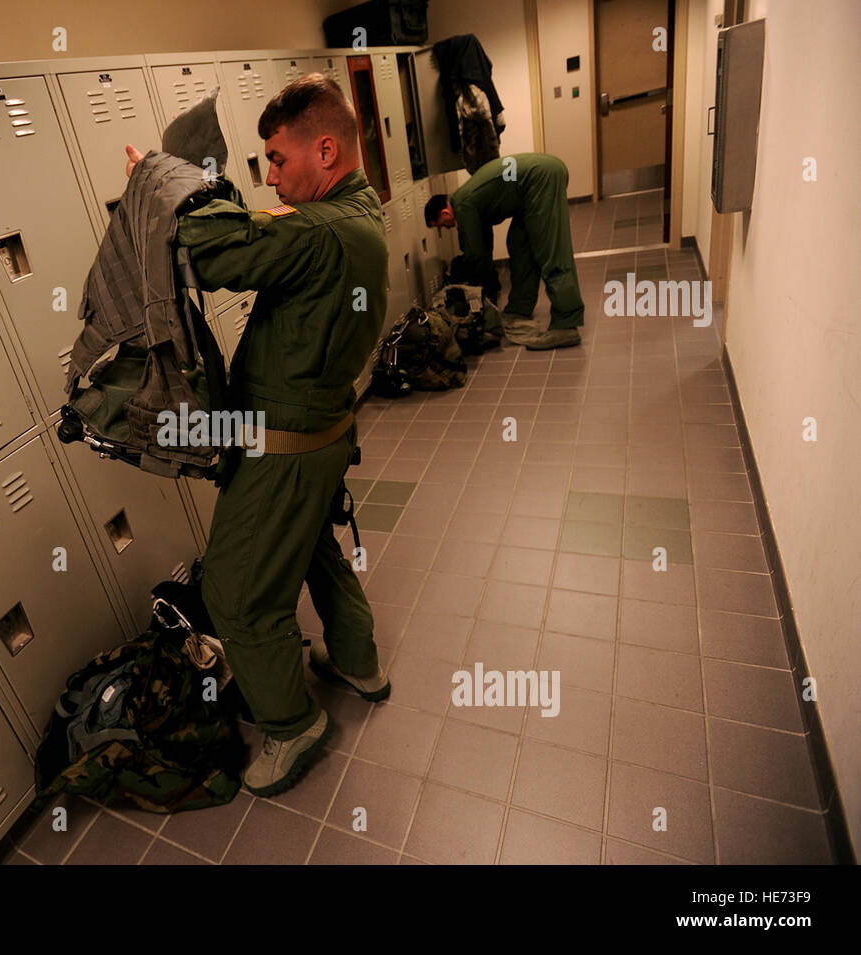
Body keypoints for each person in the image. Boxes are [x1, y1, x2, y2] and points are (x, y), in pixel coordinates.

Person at [122, 74, 391, 797]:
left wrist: (166, 183)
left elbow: (215, 254)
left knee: (239, 591)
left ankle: (290, 723)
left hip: (285, 446)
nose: (269, 175)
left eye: (277, 158)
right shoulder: (358, 210)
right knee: (309, 548)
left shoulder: (322, 232)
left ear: (325, 149)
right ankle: (359, 660)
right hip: (322, 429)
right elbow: (265, 236)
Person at [425, 152, 584, 349]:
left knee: (551, 251)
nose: (446, 228)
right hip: (531, 187)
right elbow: (483, 244)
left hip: (541, 179)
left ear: (445, 213)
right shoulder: (465, 200)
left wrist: (474, 289)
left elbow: (476, 255)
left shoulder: (463, 205)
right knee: (519, 245)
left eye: (442, 224)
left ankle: (567, 324)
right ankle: (520, 306)